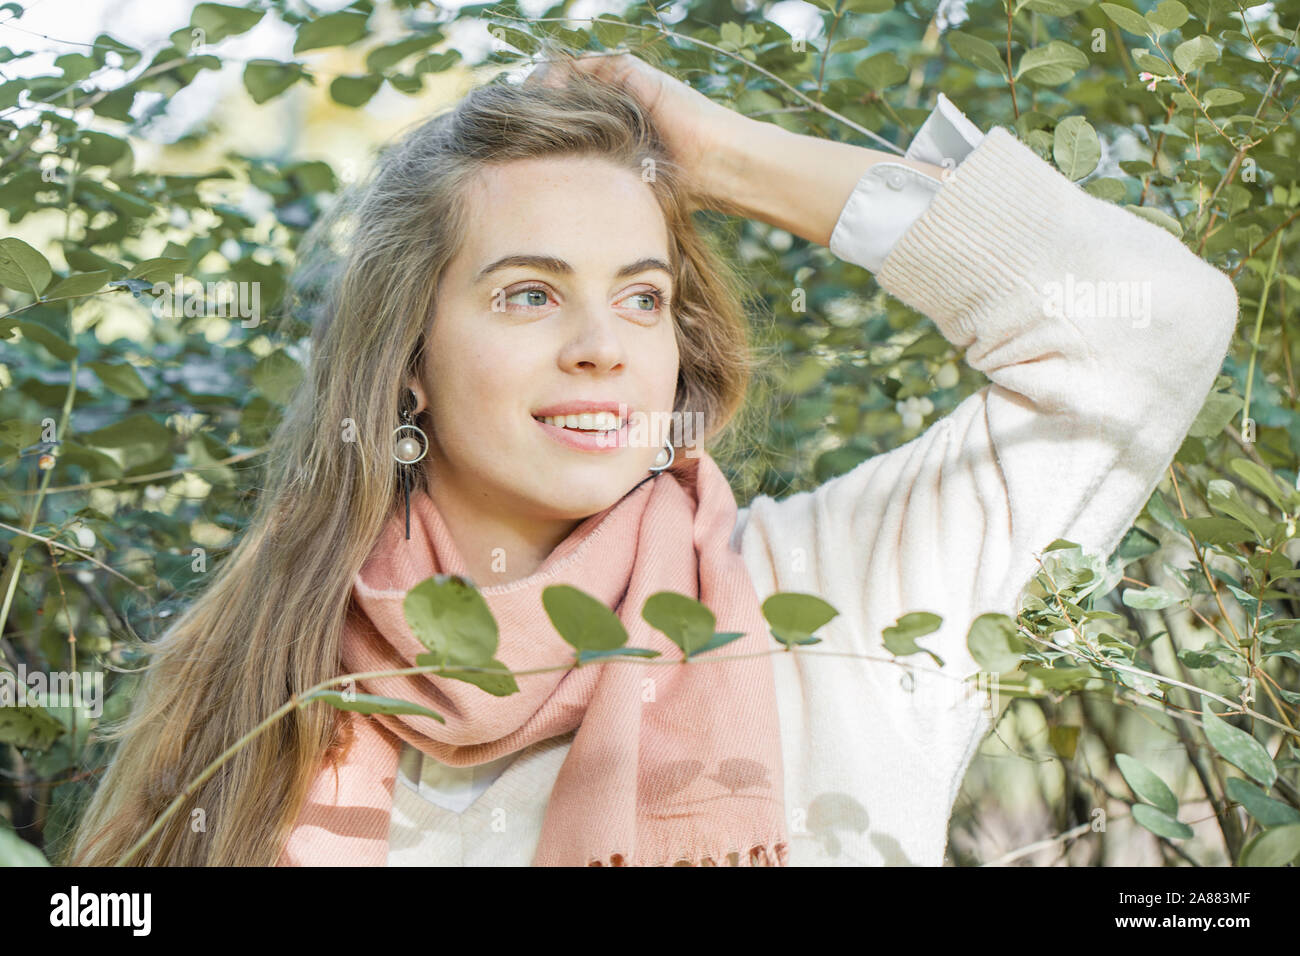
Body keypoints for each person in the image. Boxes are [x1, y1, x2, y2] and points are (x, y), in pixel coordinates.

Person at [69, 48, 1238, 868]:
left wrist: (713, 157)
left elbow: (1148, 326)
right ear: (408, 358)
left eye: (641, 298)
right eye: (529, 293)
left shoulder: (837, 596)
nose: (601, 351)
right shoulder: (271, 668)